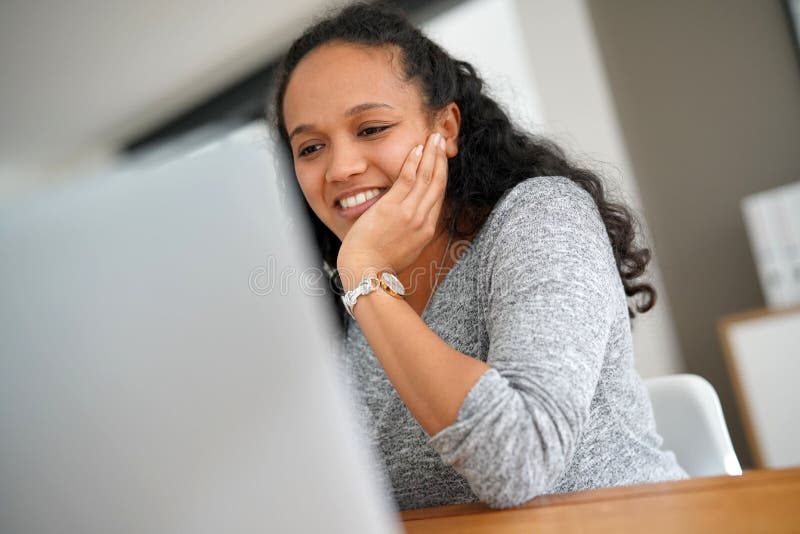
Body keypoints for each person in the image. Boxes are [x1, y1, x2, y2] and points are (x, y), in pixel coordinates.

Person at [269, 1, 687, 511]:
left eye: (371, 129)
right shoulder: (331, 299)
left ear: (445, 128)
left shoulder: (540, 218)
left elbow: (518, 464)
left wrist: (366, 279)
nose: (341, 168)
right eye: (310, 148)